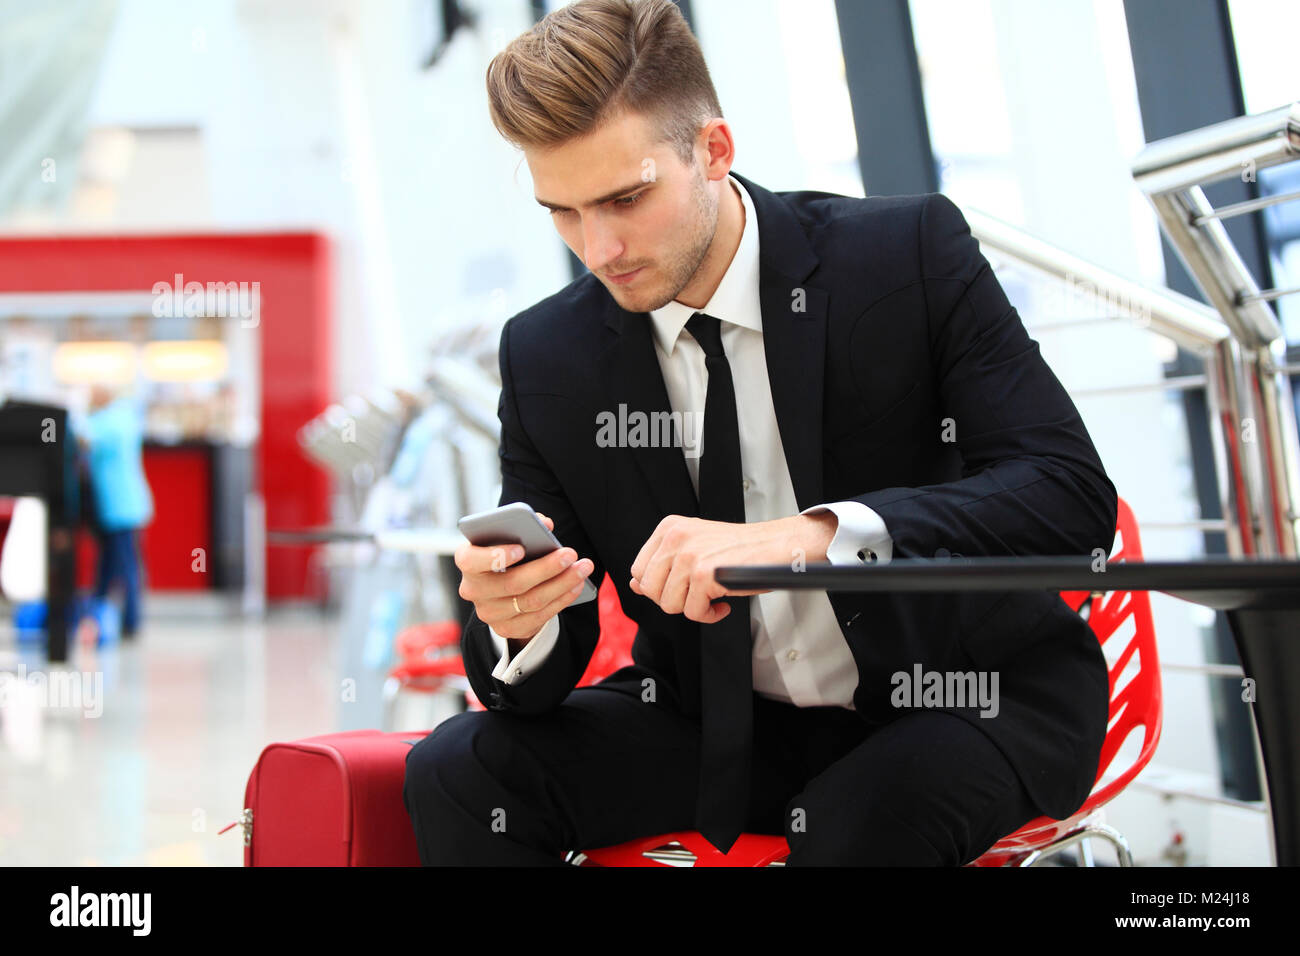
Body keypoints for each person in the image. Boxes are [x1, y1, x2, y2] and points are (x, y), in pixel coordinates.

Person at [404, 0, 1116, 866]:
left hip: (964, 699)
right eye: (563, 211)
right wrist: (521, 619)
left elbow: (1068, 494)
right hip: (723, 728)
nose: (598, 248)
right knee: (461, 770)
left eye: (626, 198)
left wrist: (814, 537)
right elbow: (547, 655)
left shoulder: (904, 257)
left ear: (714, 151)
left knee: (860, 821)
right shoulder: (548, 353)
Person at [80, 384, 153, 638]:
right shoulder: (126, 417)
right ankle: (100, 619)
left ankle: (128, 623)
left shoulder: (104, 422)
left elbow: (81, 438)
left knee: (123, 567)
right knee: (114, 565)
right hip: (130, 503)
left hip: (117, 505)